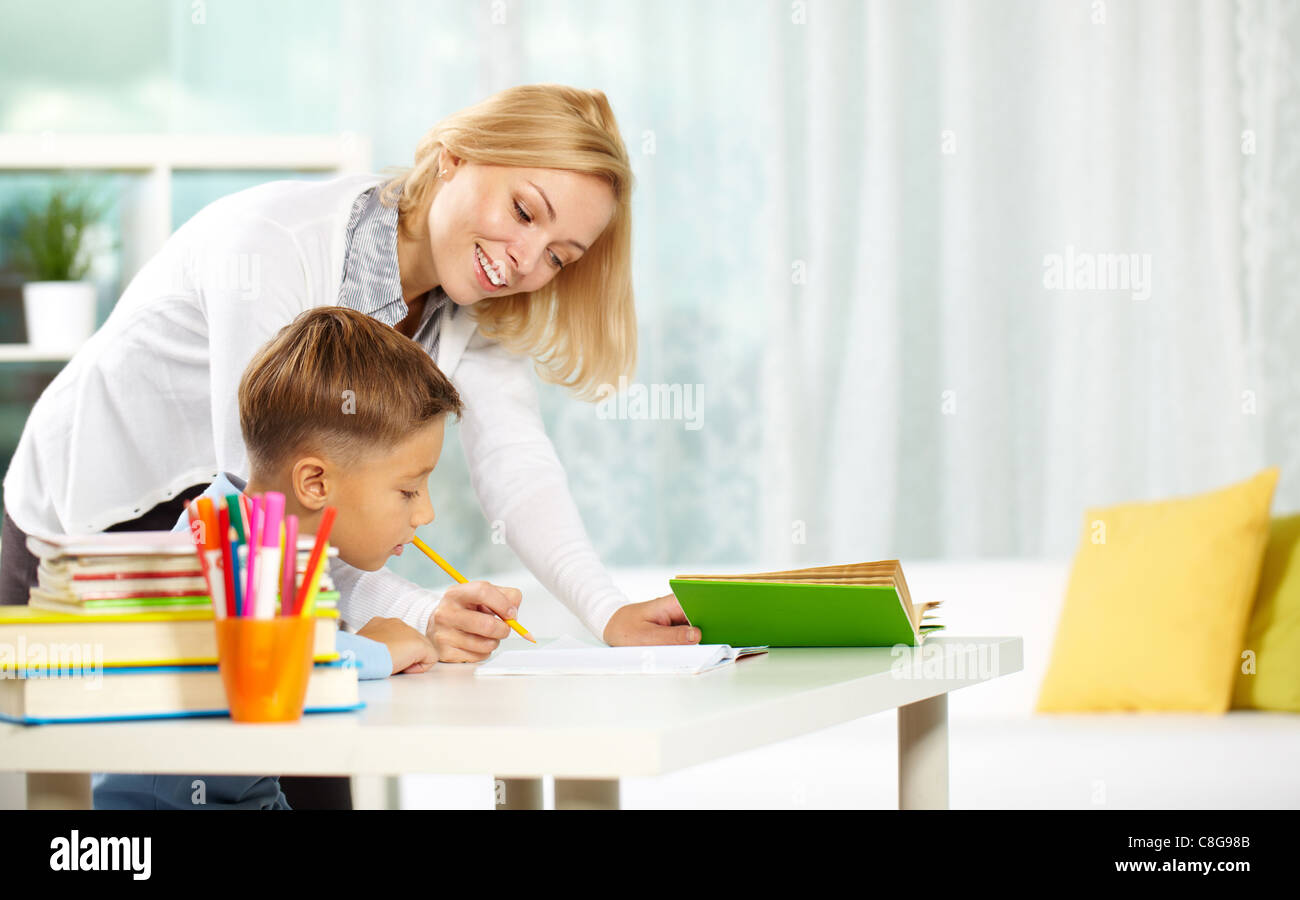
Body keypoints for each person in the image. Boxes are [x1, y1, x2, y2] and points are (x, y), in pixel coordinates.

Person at [1, 84, 698, 808]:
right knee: (105, 794)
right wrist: (418, 614)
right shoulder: (273, 245)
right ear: (454, 157)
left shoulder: (474, 298)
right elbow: (266, 502)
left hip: (249, 538)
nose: (524, 260)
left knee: (311, 756)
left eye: (559, 256)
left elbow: (516, 466)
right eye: (524, 211)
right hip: (97, 531)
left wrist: (608, 611)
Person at [93, 306, 515, 808]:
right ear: (315, 483)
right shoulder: (212, 548)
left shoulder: (275, 550)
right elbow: (247, 664)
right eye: (407, 490)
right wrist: (370, 649)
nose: (425, 512)